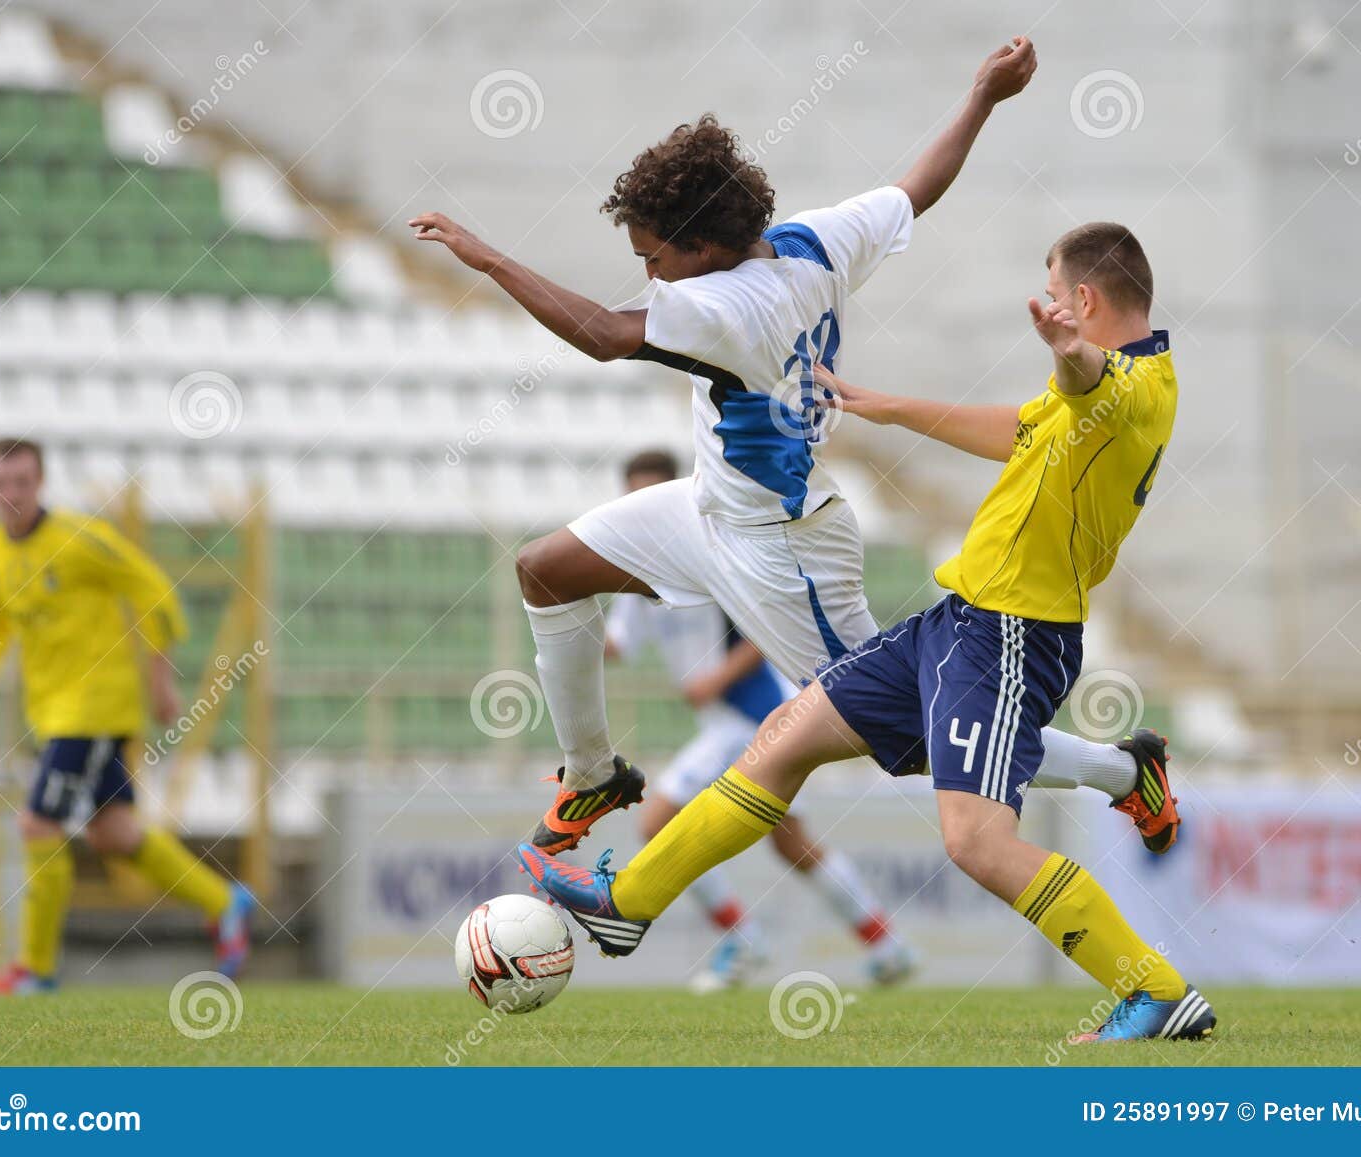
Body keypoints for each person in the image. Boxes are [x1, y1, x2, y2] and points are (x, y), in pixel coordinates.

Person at [410, 37, 1177, 859]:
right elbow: (916, 190)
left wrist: (486, 257)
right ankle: (592, 772)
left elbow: (601, 334)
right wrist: (982, 97)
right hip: (708, 505)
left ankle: (1124, 774)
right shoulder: (811, 242)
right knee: (546, 570)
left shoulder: (725, 309)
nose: (653, 277)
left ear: (700, 246)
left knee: (917, 739)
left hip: (785, 553)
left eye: (654, 257)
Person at [519, 224, 1216, 1042]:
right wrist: (876, 404)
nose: (1054, 307)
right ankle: (625, 904)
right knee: (782, 738)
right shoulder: (1110, 395)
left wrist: (1068, 351)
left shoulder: (1126, 385)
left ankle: (1158, 988)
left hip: (1011, 637)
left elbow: (1085, 375)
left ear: (1086, 302)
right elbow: (1019, 429)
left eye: (1059, 295)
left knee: (978, 843)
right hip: (957, 623)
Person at [0, 438, 253, 995]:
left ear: (40, 483)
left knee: (38, 823)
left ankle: (35, 970)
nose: (13, 494)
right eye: (2, 483)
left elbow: (155, 591)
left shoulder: (79, 540)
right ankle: (225, 902)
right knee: (115, 834)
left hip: (94, 706)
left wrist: (161, 680)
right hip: (51, 712)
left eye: (23, 482)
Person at [608, 450, 914, 990]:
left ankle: (742, 944)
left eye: (652, 491)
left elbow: (759, 624)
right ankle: (885, 945)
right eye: (635, 494)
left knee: (656, 823)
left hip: (750, 718)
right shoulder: (635, 573)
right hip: (724, 724)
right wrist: (561, 613)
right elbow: (614, 645)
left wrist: (718, 678)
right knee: (791, 841)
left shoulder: (702, 552)